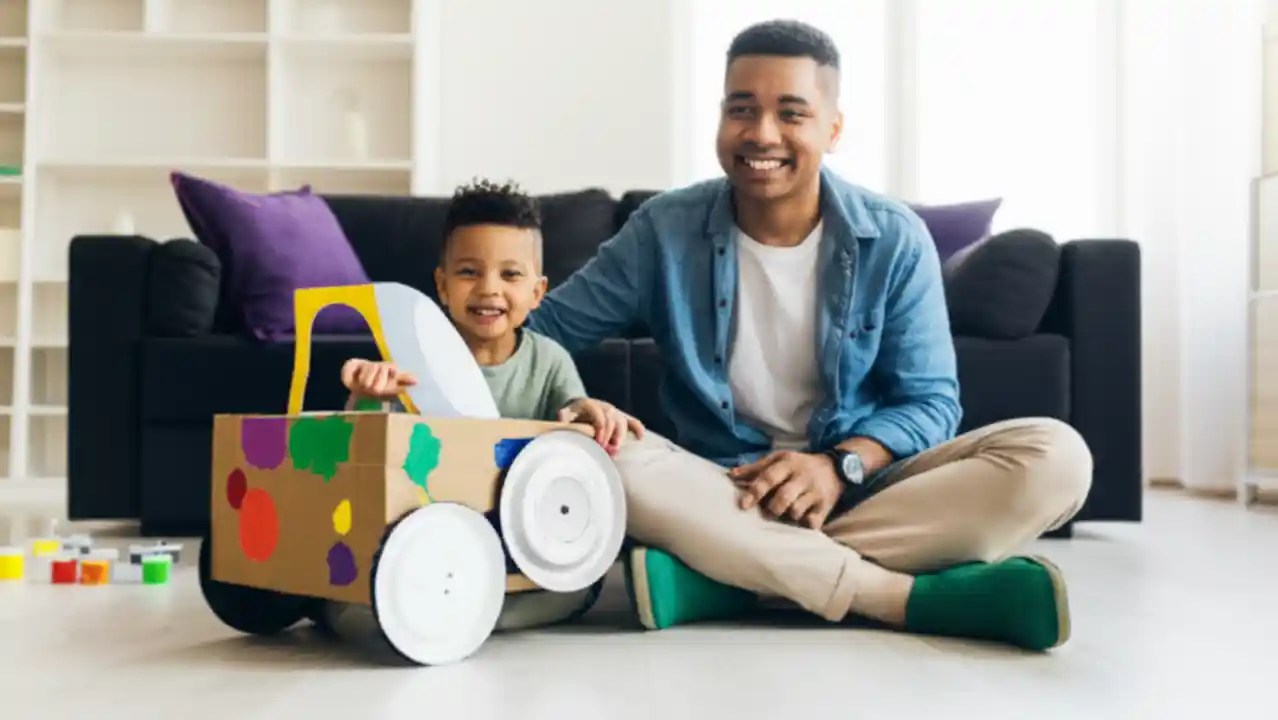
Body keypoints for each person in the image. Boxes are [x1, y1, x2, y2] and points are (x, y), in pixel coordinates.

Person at [524, 20, 1091, 651]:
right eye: (742, 109)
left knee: (1056, 457)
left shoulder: (894, 238)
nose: (762, 134)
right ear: (720, 118)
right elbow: (539, 335)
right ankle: (899, 598)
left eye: (791, 113)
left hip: (862, 489)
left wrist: (836, 466)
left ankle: (727, 578)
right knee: (607, 457)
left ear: (833, 128)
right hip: (721, 488)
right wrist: (577, 404)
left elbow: (932, 404)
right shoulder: (663, 230)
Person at [341, 178, 645, 630]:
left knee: (579, 587)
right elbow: (358, 455)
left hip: (517, 543)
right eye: (468, 272)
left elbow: (575, 419)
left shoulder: (548, 360)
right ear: (441, 285)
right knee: (361, 579)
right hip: (431, 535)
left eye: (510, 274)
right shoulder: (413, 359)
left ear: (537, 293)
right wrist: (367, 393)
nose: (488, 289)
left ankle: (458, 612)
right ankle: (419, 606)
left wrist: (589, 412)